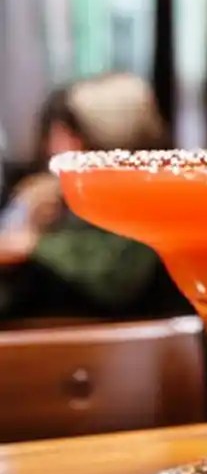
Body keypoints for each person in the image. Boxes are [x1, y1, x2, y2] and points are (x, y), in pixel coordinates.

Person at [0, 74, 177, 320]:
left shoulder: (152, 202)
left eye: (72, 136)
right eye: (55, 135)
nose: (57, 149)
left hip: (126, 346)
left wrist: (33, 246)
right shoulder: (47, 197)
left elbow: (117, 279)